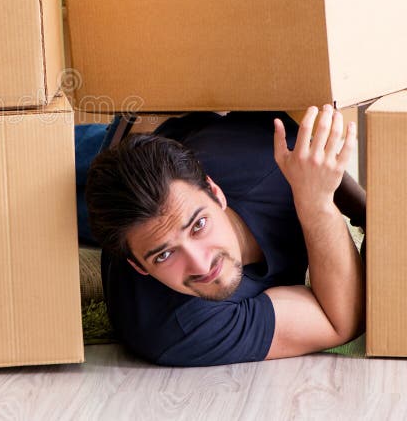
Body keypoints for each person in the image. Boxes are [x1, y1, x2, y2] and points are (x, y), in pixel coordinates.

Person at [79, 105, 365, 366]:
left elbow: (313, 160)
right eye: (164, 255)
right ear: (139, 265)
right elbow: (341, 321)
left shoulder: (259, 154)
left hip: (170, 138)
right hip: (103, 169)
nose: (202, 264)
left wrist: (363, 212)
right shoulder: (181, 327)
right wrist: (316, 205)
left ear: (215, 192)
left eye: (198, 225)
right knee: (59, 174)